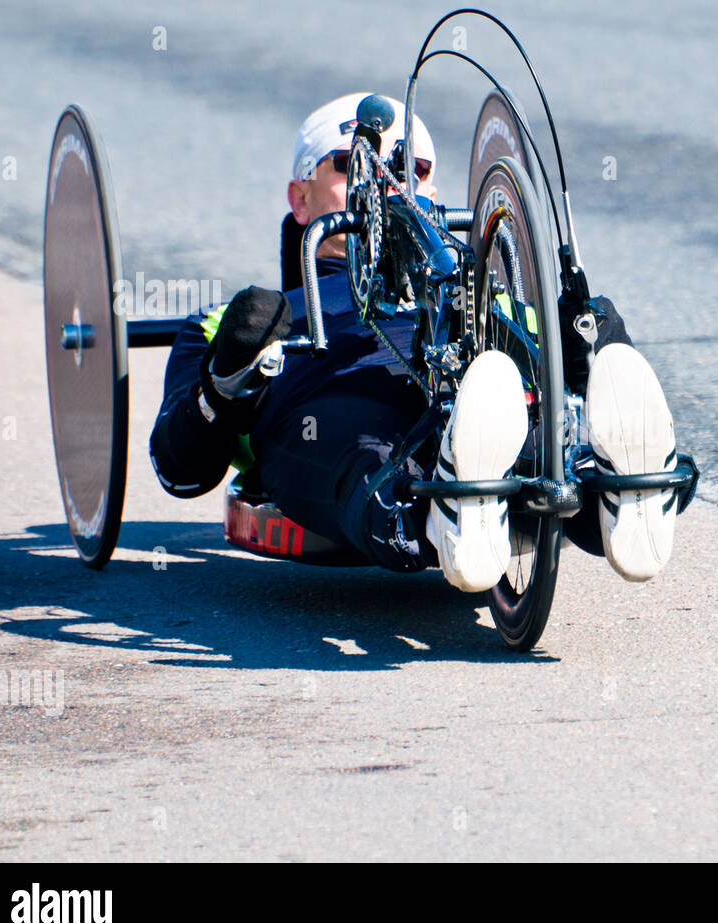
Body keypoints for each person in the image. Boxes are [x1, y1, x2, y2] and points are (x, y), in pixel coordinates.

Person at [149, 93, 677, 592]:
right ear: (300, 198)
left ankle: (617, 482)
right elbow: (179, 471)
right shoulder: (229, 320)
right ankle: (443, 504)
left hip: (478, 392)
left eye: (413, 171)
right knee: (361, 446)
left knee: (549, 407)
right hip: (327, 404)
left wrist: (587, 342)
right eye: (345, 164)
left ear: (429, 194)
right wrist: (224, 382)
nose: (384, 186)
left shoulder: (485, 302)